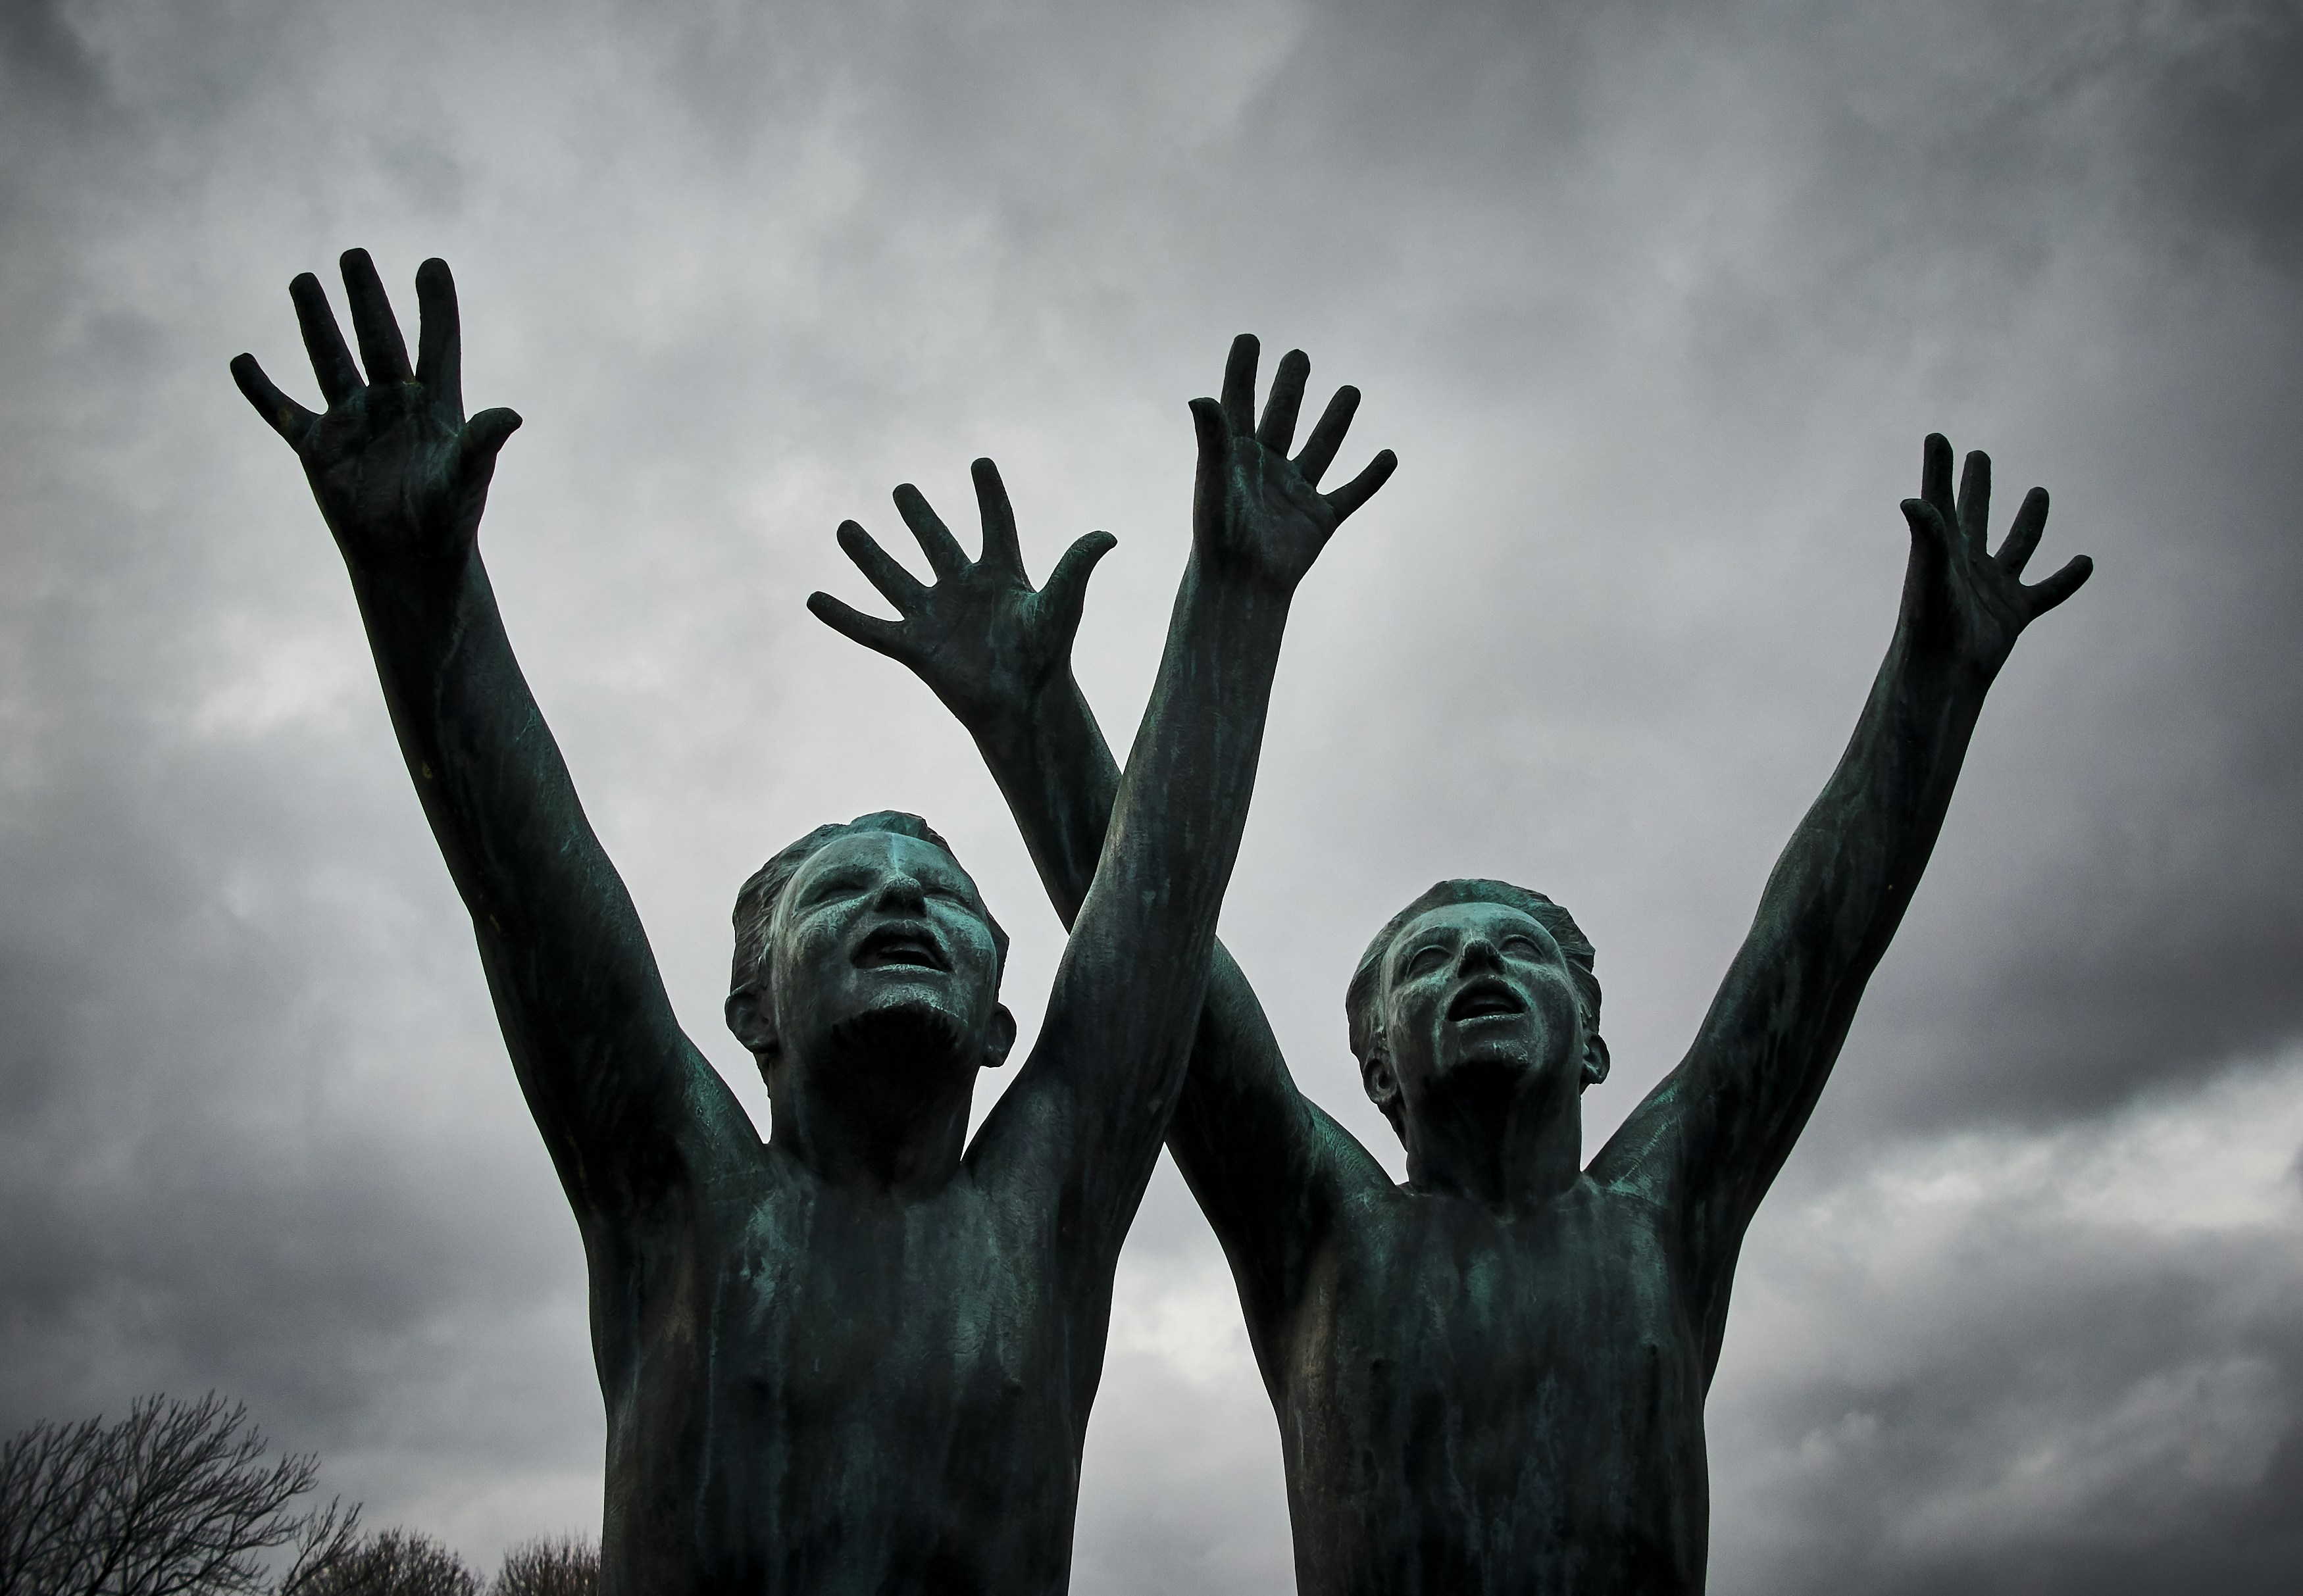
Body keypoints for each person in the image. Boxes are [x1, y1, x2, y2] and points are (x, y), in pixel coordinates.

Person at [231, 253, 1394, 1594]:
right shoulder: (678, 1187)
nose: (904, 897)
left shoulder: (1045, 1206)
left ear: (1004, 1016)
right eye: (843, 890)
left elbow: (1160, 903)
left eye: (949, 900)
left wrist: (1236, 601)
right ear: (748, 1010)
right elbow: (527, 884)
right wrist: (420, 592)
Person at [821, 389, 2092, 1593]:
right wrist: (1035, 726)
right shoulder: (1319, 1226)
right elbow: (1160, 951)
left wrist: (1934, 682)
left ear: (1593, 1045)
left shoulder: (1659, 1214)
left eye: (1514, 949)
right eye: (1428, 961)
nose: (1478, 961)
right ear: (1377, 1068)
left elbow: (1813, 949)